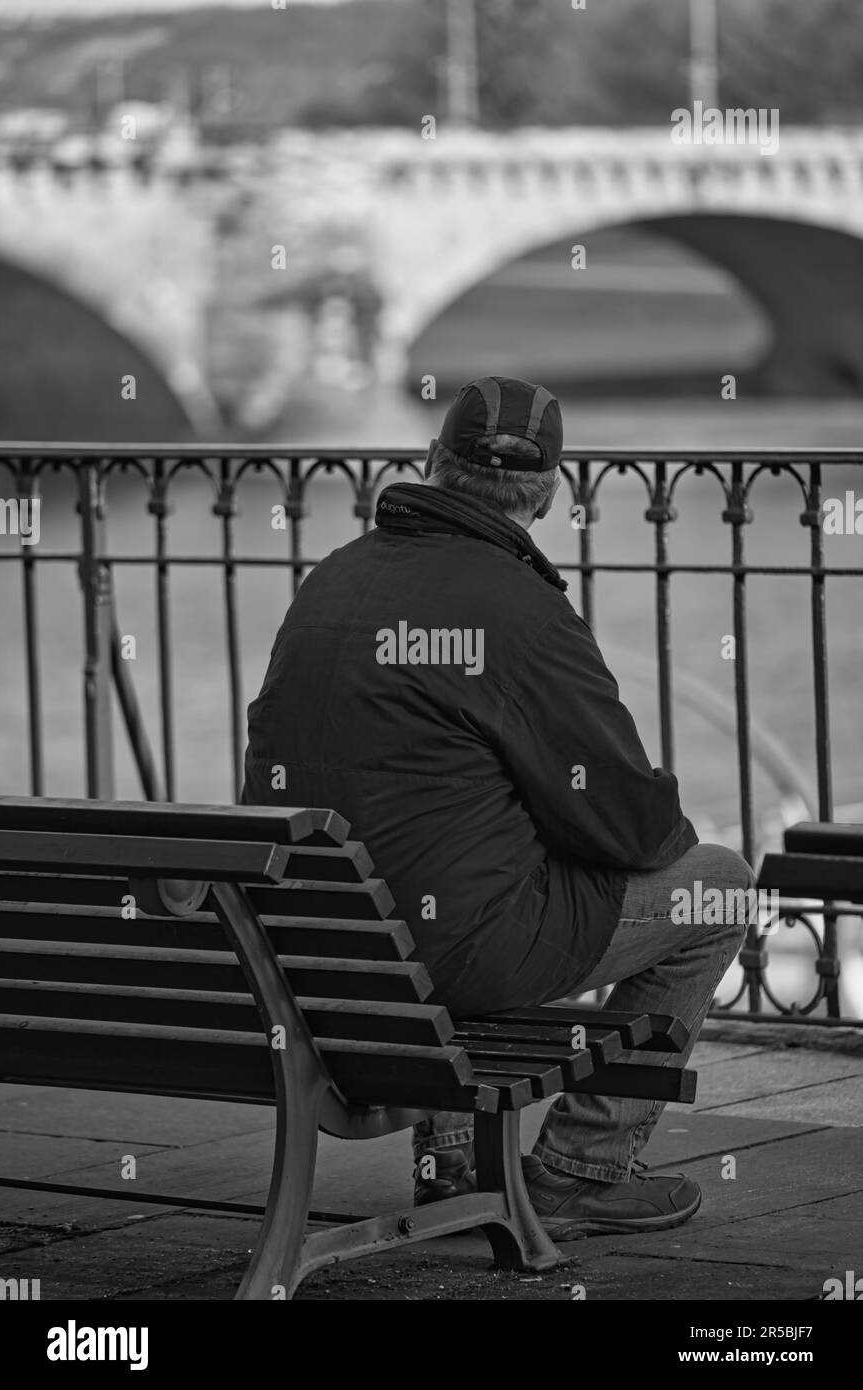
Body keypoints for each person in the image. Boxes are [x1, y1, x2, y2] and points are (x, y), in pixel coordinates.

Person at [244, 375, 752, 1240]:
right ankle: (584, 1167)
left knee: (454, 858)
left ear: (434, 462)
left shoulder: (333, 580)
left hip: (311, 948)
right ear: (551, 491)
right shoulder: (524, 610)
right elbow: (629, 823)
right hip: (445, 955)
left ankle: (454, 1166)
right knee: (718, 889)